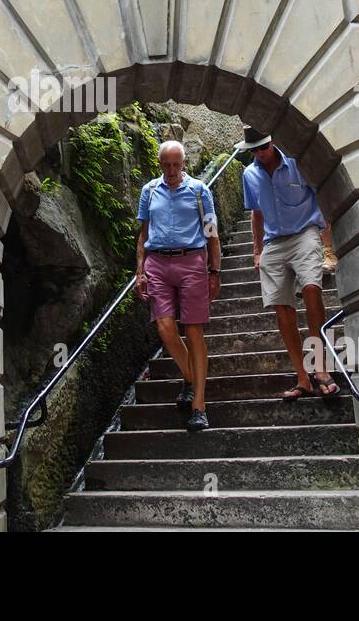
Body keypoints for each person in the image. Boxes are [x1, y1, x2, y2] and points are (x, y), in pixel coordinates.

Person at [236, 125, 341, 400]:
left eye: (263, 147)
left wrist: (326, 240)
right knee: (282, 308)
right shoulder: (249, 174)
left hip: (305, 232)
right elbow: (256, 214)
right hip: (273, 242)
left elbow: (319, 194)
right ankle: (302, 377)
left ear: (273, 142)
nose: (259, 153)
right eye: (254, 150)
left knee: (311, 289)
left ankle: (320, 367)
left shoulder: (296, 162)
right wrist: (257, 250)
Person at [134, 140, 222, 432]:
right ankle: (191, 376)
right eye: (166, 165)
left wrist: (214, 271)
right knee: (165, 329)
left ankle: (199, 405)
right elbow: (143, 234)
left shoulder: (200, 191)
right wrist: (140, 271)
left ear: (184, 163)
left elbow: (211, 234)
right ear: (159, 164)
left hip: (192, 262)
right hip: (157, 264)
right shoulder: (148, 191)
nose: (171, 170)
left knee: (194, 330)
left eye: (176, 164)